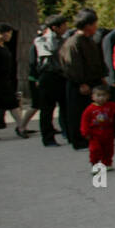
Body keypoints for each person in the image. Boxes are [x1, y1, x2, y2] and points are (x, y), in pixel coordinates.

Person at [59, 9, 108, 149]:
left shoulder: (89, 40)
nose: (96, 27)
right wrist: (80, 82)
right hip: (80, 83)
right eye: (94, 24)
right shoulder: (73, 42)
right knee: (79, 113)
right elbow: (72, 64)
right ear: (87, 25)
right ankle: (79, 140)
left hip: (93, 81)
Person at [32, 15, 69, 147]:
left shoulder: (64, 40)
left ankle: (68, 133)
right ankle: (48, 138)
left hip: (62, 76)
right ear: (55, 27)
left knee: (65, 106)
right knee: (47, 109)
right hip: (48, 76)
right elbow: (51, 49)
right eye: (64, 25)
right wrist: (51, 35)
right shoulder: (41, 40)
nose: (66, 28)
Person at [80, 84, 115, 170]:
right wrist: (85, 132)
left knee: (108, 150)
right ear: (93, 97)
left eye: (104, 95)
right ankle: (95, 163)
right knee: (95, 150)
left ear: (108, 96)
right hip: (95, 134)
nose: (101, 98)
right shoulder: (90, 109)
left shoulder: (110, 105)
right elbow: (84, 122)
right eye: (98, 95)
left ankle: (107, 163)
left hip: (108, 133)